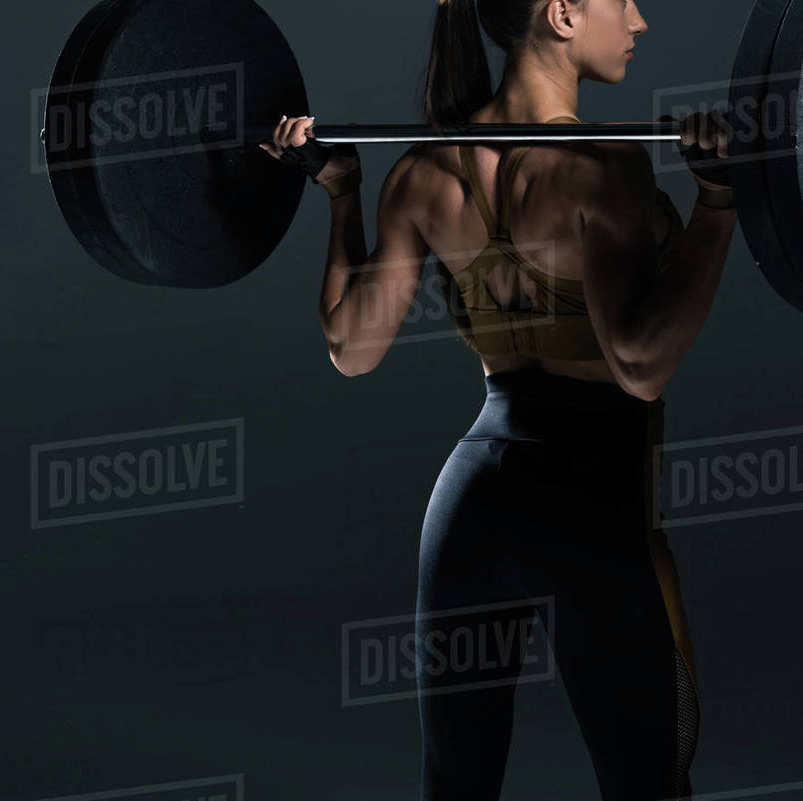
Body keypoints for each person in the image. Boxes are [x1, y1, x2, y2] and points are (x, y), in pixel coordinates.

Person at [261, 1, 736, 797]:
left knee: (457, 783)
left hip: (471, 503)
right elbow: (640, 364)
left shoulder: (423, 172)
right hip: (588, 504)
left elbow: (352, 348)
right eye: (621, 0)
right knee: (652, 779)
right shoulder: (604, 167)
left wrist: (342, 192)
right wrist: (716, 207)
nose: (641, 20)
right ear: (561, 13)